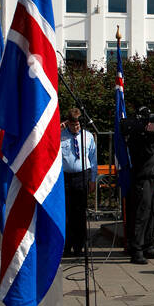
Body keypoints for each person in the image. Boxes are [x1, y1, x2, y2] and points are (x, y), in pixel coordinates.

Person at [125, 107, 154, 265]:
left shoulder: (153, 135)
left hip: (153, 178)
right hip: (142, 178)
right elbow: (146, 152)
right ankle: (136, 249)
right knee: (141, 214)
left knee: (152, 212)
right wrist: (150, 135)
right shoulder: (137, 135)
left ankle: (148, 245)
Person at [59, 108, 97, 258]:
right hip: (66, 177)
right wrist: (58, 128)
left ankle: (80, 246)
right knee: (67, 213)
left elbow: (93, 158)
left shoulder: (87, 136)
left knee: (80, 213)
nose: (76, 128)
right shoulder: (61, 136)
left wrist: (93, 179)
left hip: (82, 176)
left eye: (78, 125)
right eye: (73, 125)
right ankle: (67, 246)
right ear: (68, 123)